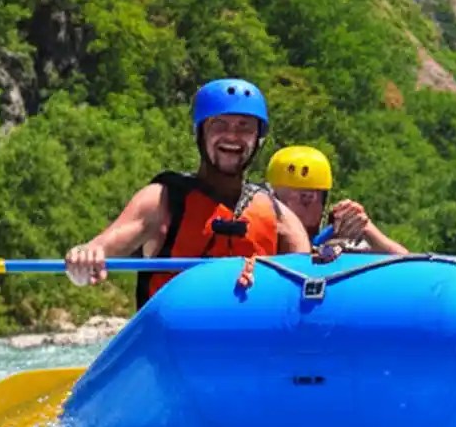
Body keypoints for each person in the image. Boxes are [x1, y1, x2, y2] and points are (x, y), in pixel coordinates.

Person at [64, 78, 312, 307]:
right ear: (200, 133)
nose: (233, 136)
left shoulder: (278, 215)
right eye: (220, 124)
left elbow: (311, 279)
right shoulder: (162, 200)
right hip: (172, 349)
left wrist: (342, 241)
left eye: (245, 127)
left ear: (258, 139)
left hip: (249, 349)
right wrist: (85, 258)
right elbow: (104, 246)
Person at [265, 145, 409, 256]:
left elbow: (409, 267)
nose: (309, 201)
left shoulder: (337, 245)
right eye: (299, 194)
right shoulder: (257, 239)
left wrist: (369, 231)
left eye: (315, 194)